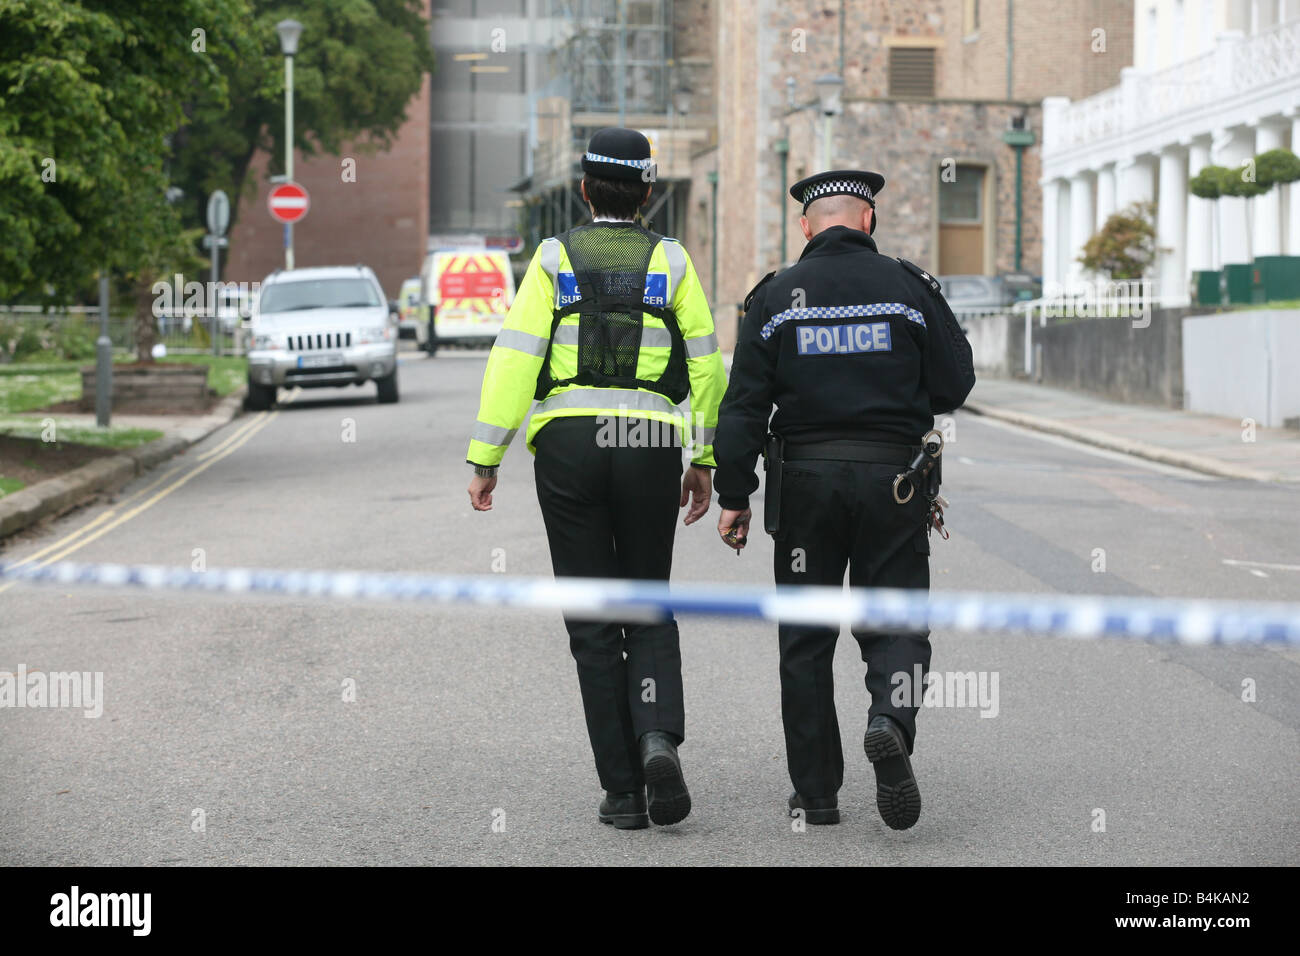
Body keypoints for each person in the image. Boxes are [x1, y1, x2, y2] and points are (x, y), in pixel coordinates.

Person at [466, 128, 727, 829]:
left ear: (584, 189)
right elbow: (706, 364)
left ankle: (624, 791)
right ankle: (656, 736)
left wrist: (487, 453)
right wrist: (705, 457)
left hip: (570, 444)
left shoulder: (554, 258)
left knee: (590, 623)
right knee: (645, 601)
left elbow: (517, 356)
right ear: (647, 193)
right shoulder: (671, 259)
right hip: (646, 441)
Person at [711, 169, 975, 830]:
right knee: (899, 623)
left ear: (806, 226)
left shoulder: (774, 298)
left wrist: (734, 493)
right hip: (895, 482)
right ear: (870, 220)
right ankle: (889, 717)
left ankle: (818, 795)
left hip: (805, 486)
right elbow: (954, 385)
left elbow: (741, 407)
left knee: (804, 640)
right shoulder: (909, 288)